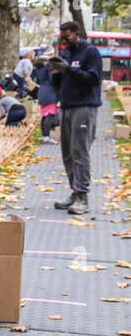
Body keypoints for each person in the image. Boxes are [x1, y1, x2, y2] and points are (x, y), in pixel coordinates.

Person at [52, 21, 103, 215]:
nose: (64, 39)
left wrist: (68, 69)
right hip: (66, 106)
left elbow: (94, 79)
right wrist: (56, 72)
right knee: (68, 153)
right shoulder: (66, 52)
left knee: (80, 151)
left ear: (76, 33)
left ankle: (83, 196)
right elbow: (62, 81)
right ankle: (75, 191)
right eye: (62, 36)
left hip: (84, 106)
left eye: (67, 36)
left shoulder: (90, 52)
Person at [34, 51, 61, 142]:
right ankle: (46, 137)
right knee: (49, 115)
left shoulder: (38, 69)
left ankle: (44, 135)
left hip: (42, 92)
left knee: (44, 115)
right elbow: (53, 80)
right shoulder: (47, 69)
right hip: (50, 93)